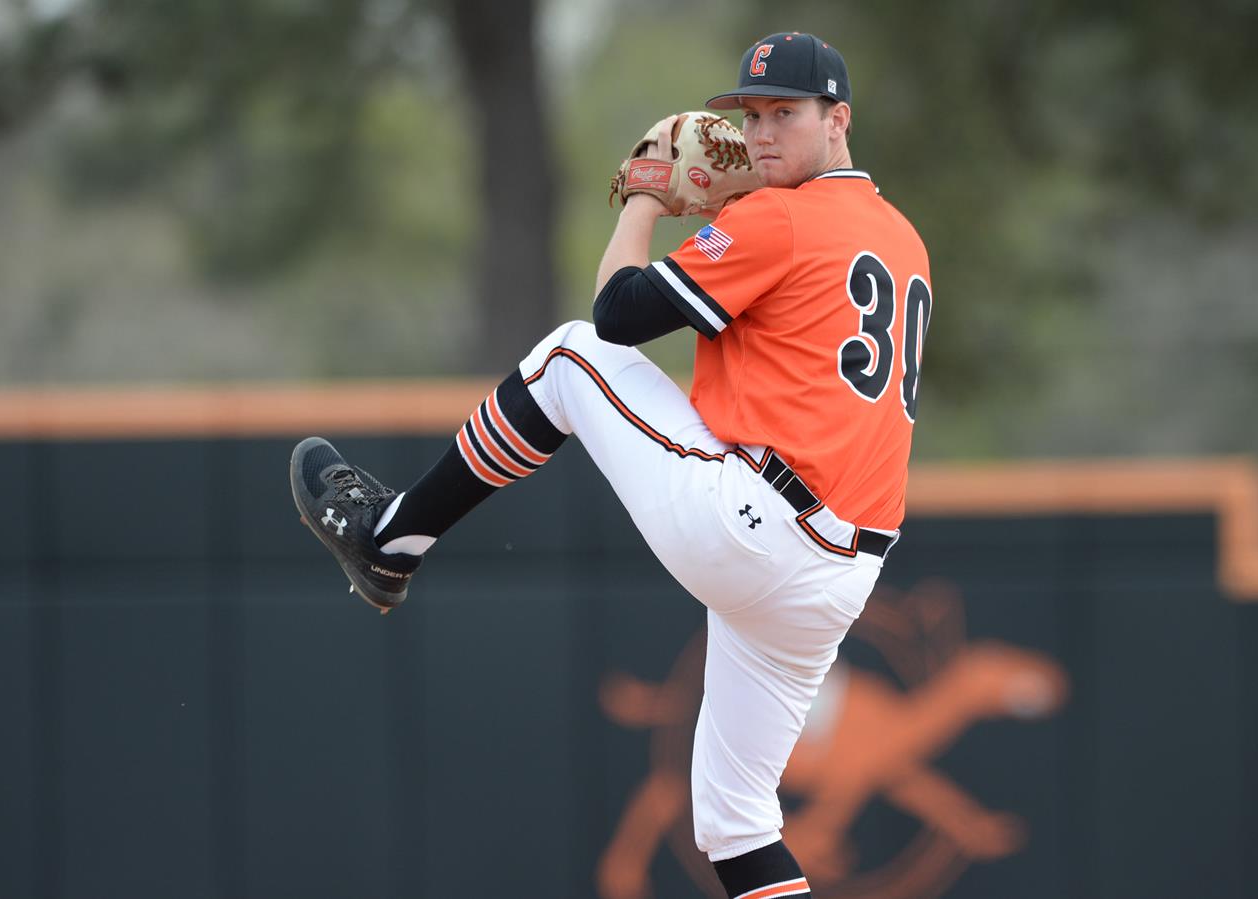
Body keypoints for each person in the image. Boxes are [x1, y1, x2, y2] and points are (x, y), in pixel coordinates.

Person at [289, 31, 931, 899]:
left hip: (756, 526)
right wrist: (719, 228)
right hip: (839, 575)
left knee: (568, 356)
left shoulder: (777, 217)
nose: (765, 132)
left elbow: (619, 312)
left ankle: (390, 540)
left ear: (838, 118)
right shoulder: (900, 238)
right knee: (735, 819)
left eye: (787, 113)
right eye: (752, 114)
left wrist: (641, 199)